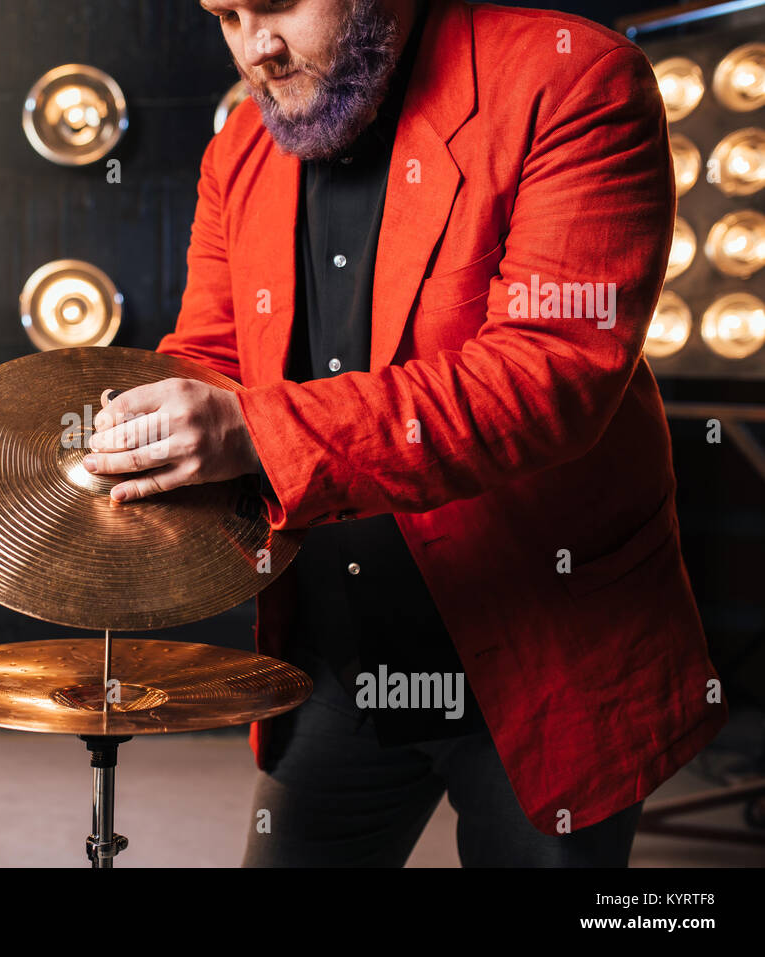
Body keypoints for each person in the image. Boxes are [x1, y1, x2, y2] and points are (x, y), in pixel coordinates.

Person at [81, 0, 728, 865]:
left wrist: (251, 430)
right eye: (225, 15)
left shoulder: (577, 79)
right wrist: (143, 433)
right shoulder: (239, 146)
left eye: (273, 6)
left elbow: (551, 378)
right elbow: (209, 357)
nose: (253, 48)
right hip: (332, 655)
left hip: (545, 650)